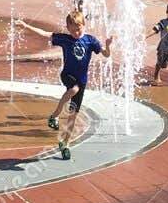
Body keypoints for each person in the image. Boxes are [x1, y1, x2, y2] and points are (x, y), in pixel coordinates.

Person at [16, 11, 109, 160]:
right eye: (72, 31)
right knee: (73, 89)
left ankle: (65, 144)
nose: (76, 33)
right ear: (67, 28)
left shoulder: (90, 41)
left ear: (84, 25)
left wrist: (108, 46)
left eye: (78, 29)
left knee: (73, 116)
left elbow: (106, 54)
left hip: (82, 80)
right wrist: (26, 26)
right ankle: (55, 115)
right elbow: (45, 34)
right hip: (67, 75)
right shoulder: (65, 39)